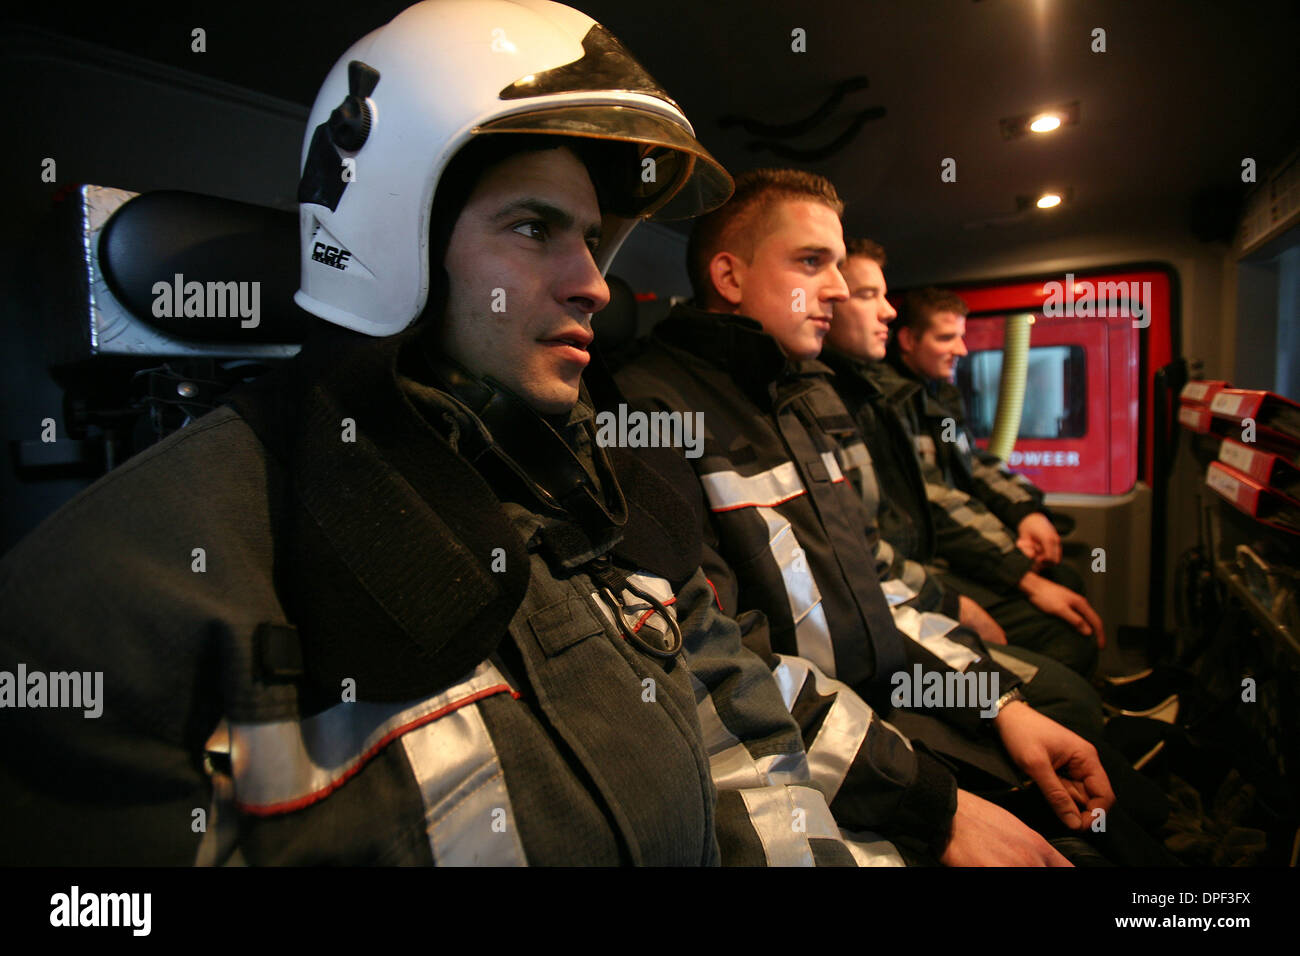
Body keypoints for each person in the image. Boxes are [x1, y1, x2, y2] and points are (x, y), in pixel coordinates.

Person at [0, 0, 866, 867]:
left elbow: (748, 749)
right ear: (391, 233)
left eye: (593, 240)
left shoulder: (610, 491)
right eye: (534, 229)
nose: (596, 284)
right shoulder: (115, 598)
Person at [613, 168, 1135, 862]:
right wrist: (928, 800)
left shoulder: (800, 399)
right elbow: (716, 660)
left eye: (838, 265)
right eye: (811, 262)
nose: (835, 287)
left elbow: (878, 582)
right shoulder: (645, 414)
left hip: (882, 707)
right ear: (730, 277)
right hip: (805, 748)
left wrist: (996, 702)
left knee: (1085, 782)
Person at [821, 239, 1174, 849]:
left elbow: (967, 472)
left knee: (1066, 608)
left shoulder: (905, 397)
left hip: (914, 576)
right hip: (910, 585)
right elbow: (895, 527)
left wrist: (1025, 508)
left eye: (880, 293)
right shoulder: (847, 402)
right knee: (1063, 675)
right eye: (867, 294)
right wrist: (970, 594)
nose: (885, 312)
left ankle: (1122, 769)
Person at [879, 285, 1105, 677]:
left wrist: (1025, 512)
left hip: (958, 550)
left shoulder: (940, 396)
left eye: (962, 336)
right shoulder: (890, 404)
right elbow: (935, 499)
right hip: (931, 561)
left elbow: (973, 465)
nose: (962, 350)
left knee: (1065, 576)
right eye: (946, 337)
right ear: (908, 339)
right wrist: (1018, 571)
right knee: (1067, 638)